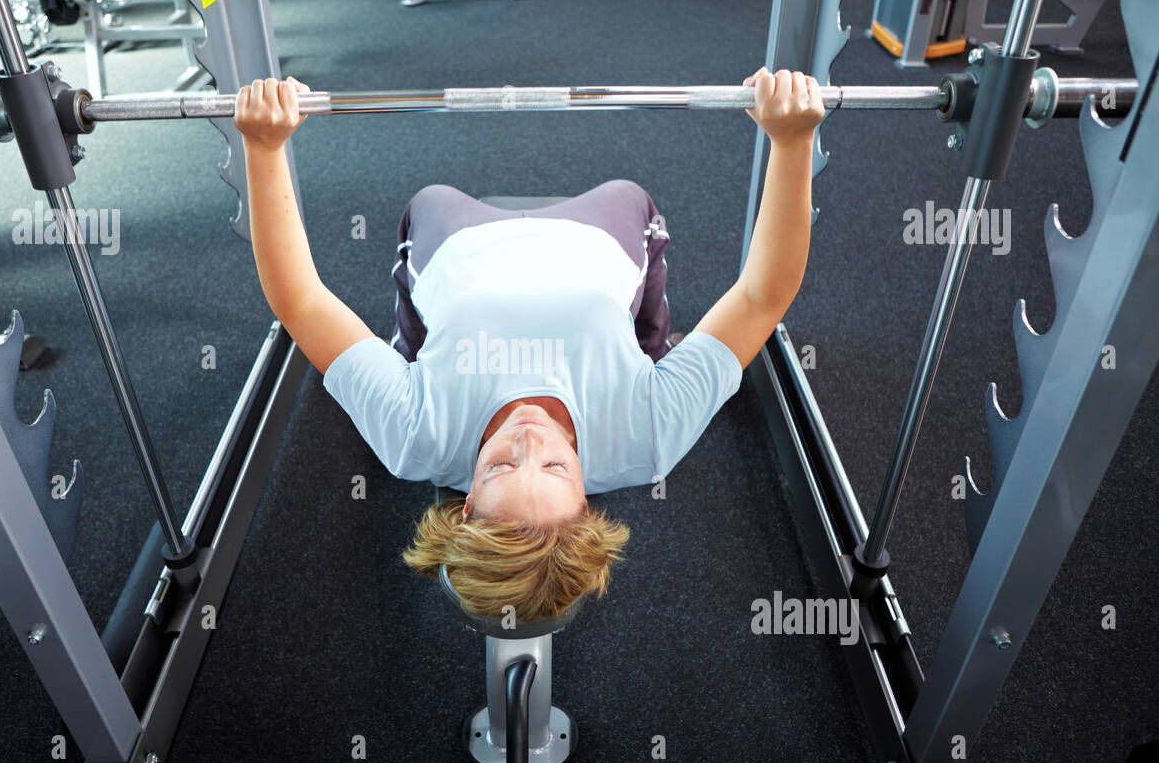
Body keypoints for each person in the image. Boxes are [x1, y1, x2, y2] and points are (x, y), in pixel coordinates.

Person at [233, 69, 824, 623]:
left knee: (427, 200)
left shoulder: (414, 434)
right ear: (588, 500)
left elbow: (303, 304)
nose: (528, 435)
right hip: (595, 241)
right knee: (632, 198)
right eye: (556, 465)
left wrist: (263, 148)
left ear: (464, 504)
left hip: (462, 244)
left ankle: (412, 347)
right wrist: (792, 141)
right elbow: (759, 301)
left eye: (499, 466)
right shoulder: (649, 433)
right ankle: (647, 345)